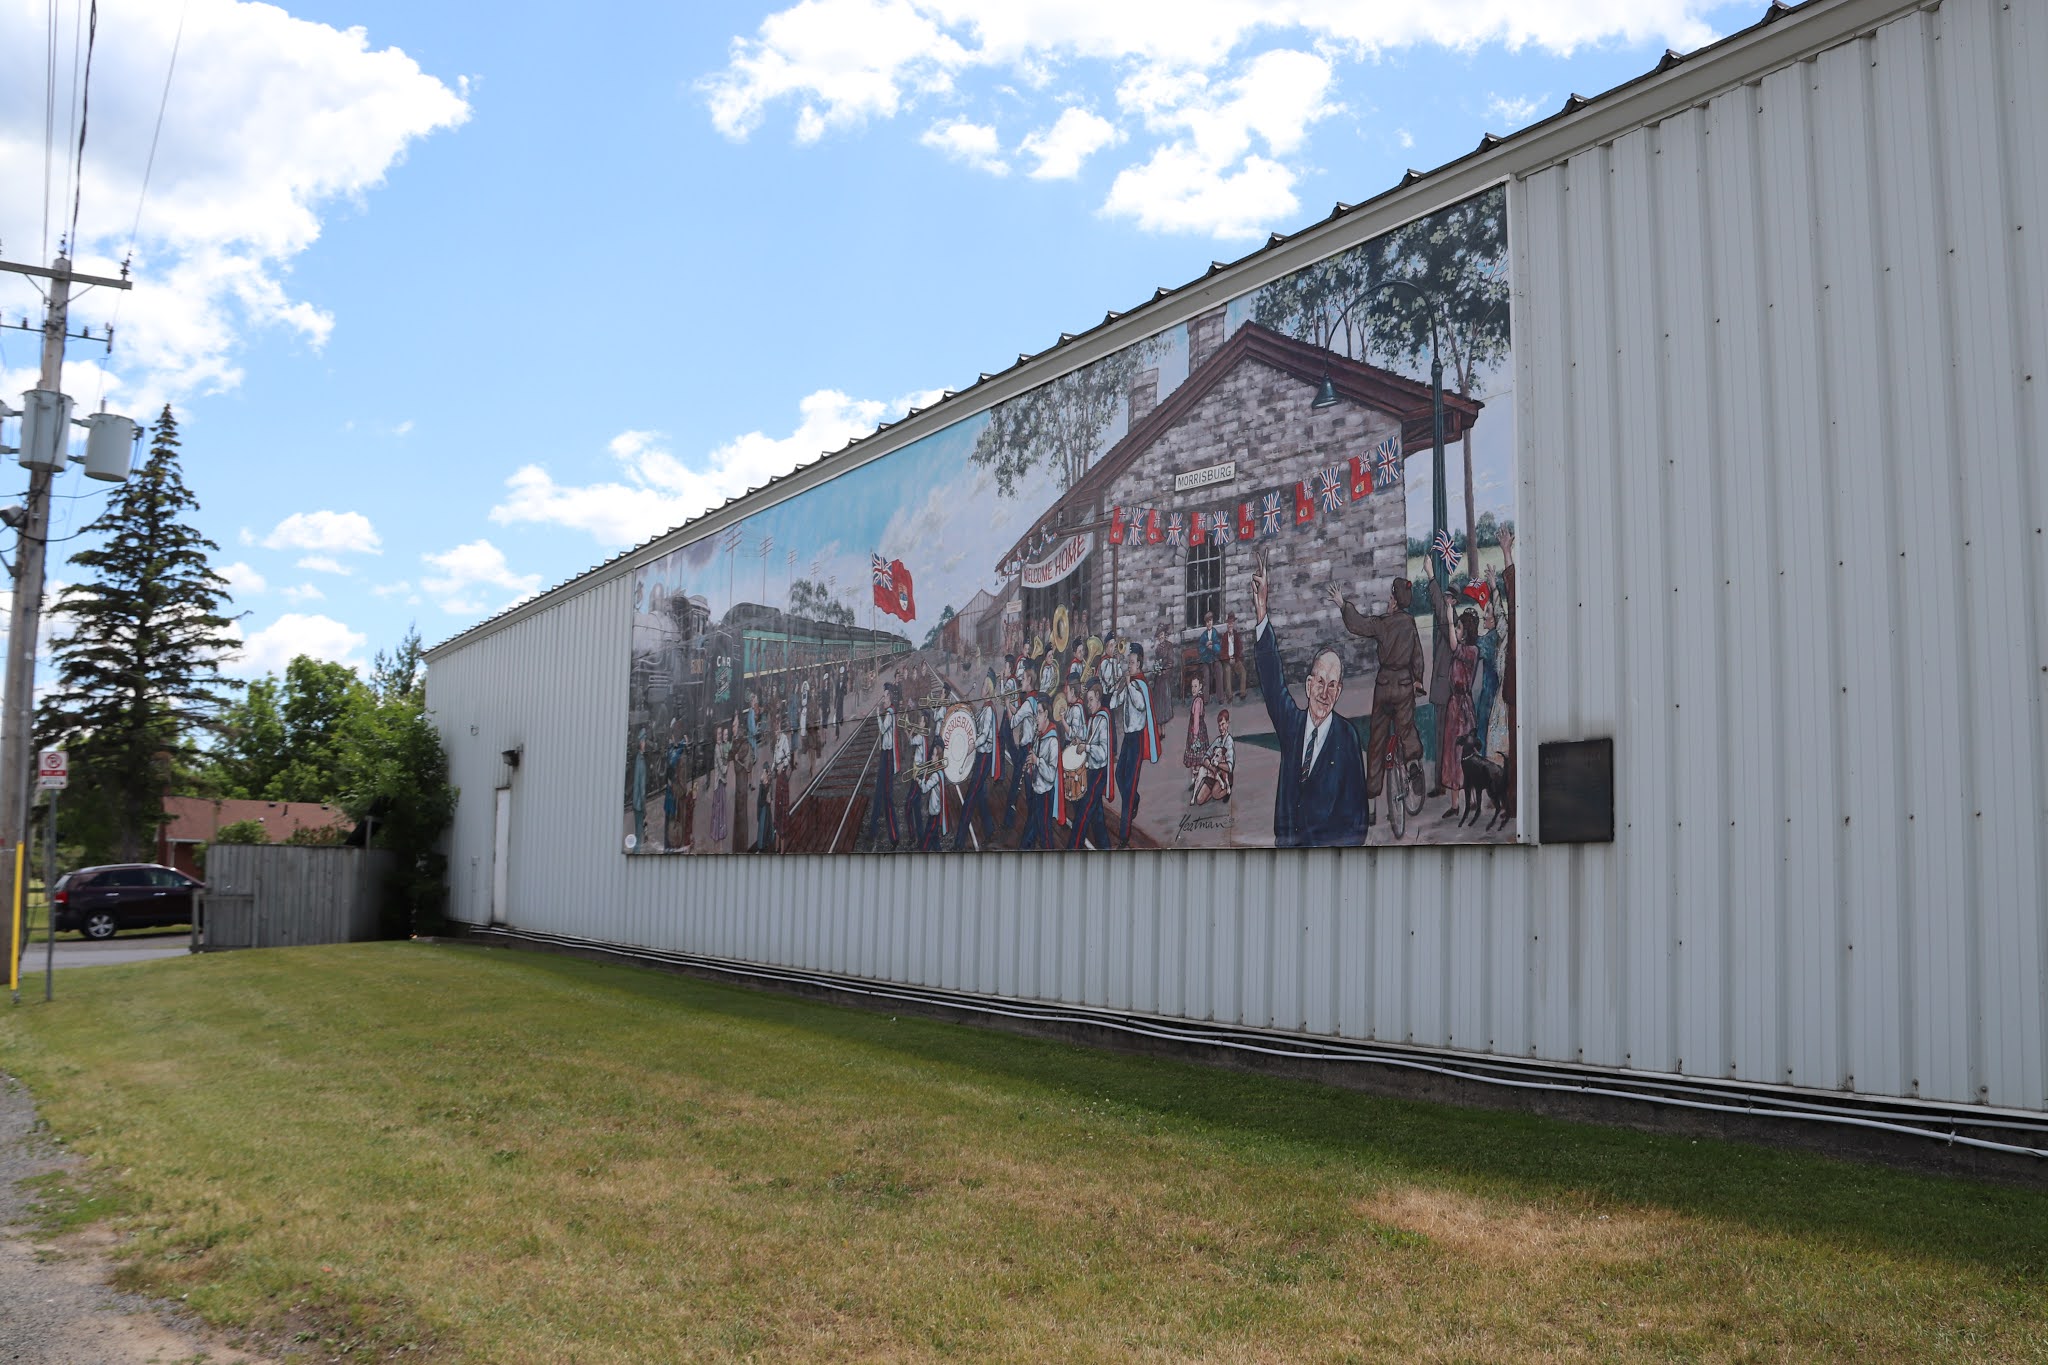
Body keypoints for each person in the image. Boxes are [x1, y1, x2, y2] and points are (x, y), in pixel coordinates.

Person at [1252, 561, 1368, 846]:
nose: (1324, 693)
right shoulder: (1292, 724)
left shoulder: (1347, 737)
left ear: (1338, 692)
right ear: (1308, 685)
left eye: (1332, 685)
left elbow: (1357, 820)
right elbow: (1271, 682)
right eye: (1319, 682)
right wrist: (1262, 613)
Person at [1327, 578, 1426, 819]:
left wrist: (1343, 604)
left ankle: (1371, 806)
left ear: (1394, 601)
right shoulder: (1410, 624)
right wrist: (1418, 679)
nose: (1389, 602)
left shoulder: (1383, 624)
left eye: (1390, 598)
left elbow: (1358, 625)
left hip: (1383, 686)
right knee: (1406, 726)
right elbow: (1417, 655)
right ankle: (1412, 762)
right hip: (1403, 684)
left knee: (1376, 742)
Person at [1110, 642, 1158, 848]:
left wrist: (1129, 684)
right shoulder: (1130, 684)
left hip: (1137, 739)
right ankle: (1135, 799)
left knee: (1128, 789)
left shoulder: (1141, 685)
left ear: (1139, 665)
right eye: (1127, 663)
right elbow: (1113, 704)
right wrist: (1118, 688)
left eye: (1131, 663)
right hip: (1127, 740)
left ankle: (1124, 835)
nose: (1128, 666)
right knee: (1119, 775)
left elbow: (1140, 704)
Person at [1438, 609, 1480, 817]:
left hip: (1463, 707)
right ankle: (1456, 804)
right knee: (1452, 755)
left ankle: (1470, 800)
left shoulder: (1471, 651)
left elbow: (1454, 647)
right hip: (1455, 705)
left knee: (1464, 754)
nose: (1456, 630)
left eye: (1459, 627)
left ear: (1466, 631)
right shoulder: (1465, 650)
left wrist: (1448, 618)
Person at [957, 671, 1001, 849]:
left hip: (984, 757)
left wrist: (972, 745)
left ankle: (959, 841)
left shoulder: (989, 709)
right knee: (981, 797)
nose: (982, 688)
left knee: (970, 798)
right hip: (982, 755)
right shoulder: (985, 708)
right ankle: (989, 830)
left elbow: (984, 735)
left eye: (984, 686)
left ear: (989, 689)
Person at [1069, 684, 1112, 850]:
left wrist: (1085, 747)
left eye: (1091, 700)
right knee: (1097, 815)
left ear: (1099, 698)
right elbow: (1089, 741)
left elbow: (1103, 753)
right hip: (1092, 770)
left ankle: (1073, 847)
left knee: (1083, 813)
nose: (1089, 704)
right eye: (1088, 701)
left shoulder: (1103, 719)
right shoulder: (1094, 718)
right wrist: (1080, 742)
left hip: (1098, 772)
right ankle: (1105, 846)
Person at [1022, 708, 1063, 850]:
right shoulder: (1039, 735)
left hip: (1045, 794)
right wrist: (1029, 768)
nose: (1036, 716)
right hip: (1036, 789)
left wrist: (1037, 761)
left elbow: (1051, 775)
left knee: (1045, 832)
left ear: (1046, 714)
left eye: (1039, 713)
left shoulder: (1052, 740)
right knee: (1032, 830)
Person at [867, 685, 900, 848]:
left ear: (890, 698)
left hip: (887, 757)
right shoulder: (890, 712)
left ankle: (894, 835)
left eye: (885, 697)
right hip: (884, 756)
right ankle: (872, 830)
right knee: (879, 793)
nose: (883, 699)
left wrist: (876, 716)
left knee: (886, 796)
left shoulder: (890, 713)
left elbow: (882, 729)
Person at [1192, 708, 1235, 805]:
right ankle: (1213, 791)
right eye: (1219, 725)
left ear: (1228, 724)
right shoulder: (1217, 740)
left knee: (1216, 794)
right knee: (1199, 800)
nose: (1221, 728)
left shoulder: (1229, 742)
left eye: (1223, 724)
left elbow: (1229, 767)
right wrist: (1211, 767)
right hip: (1213, 773)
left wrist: (1217, 764)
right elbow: (1205, 758)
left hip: (1224, 775)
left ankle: (1227, 787)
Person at [709, 723, 731, 847]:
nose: (719, 736)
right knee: (719, 810)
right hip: (719, 783)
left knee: (719, 809)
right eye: (718, 734)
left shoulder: (720, 746)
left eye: (720, 733)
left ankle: (718, 833)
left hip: (720, 782)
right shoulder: (717, 749)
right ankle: (717, 834)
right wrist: (727, 763)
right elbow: (723, 769)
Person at [1221, 612, 1247, 702]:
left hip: (1235, 659)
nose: (1230, 625)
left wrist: (1235, 658)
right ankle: (1229, 695)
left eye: (1232, 623)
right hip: (1227, 660)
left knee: (1243, 671)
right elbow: (1223, 651)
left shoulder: (1236, 635)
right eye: (1229, 623)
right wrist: (1229, 659)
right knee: (1227, 671)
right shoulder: (1224, 637)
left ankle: (1243, 693)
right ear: (1227, 625)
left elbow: (1239, 649)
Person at [630, 730, 649, 849]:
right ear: (641, 743)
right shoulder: (641, 762)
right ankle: (636, 853)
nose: (645, 743)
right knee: (639, 835)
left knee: (638, 832)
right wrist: (644, 807)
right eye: (644, 741)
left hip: (635, 803)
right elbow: (642, 789)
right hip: (639, 804)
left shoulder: (637, 758)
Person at [1198, 612, 1222, 700]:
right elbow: (1200, 650)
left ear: (1212, 622)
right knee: (1206, 674)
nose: (1209, 623)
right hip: (1206, 660)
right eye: (1207, 622)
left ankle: (1220, 697)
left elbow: (1219, 648)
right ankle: (1206, 698)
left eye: (1210, 621)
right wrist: (1206, 646)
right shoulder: (1203, 635)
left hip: (1214, 659)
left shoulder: (1215, 633)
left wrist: (1213, 647)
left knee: (1219, 669)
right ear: (1205, 624)